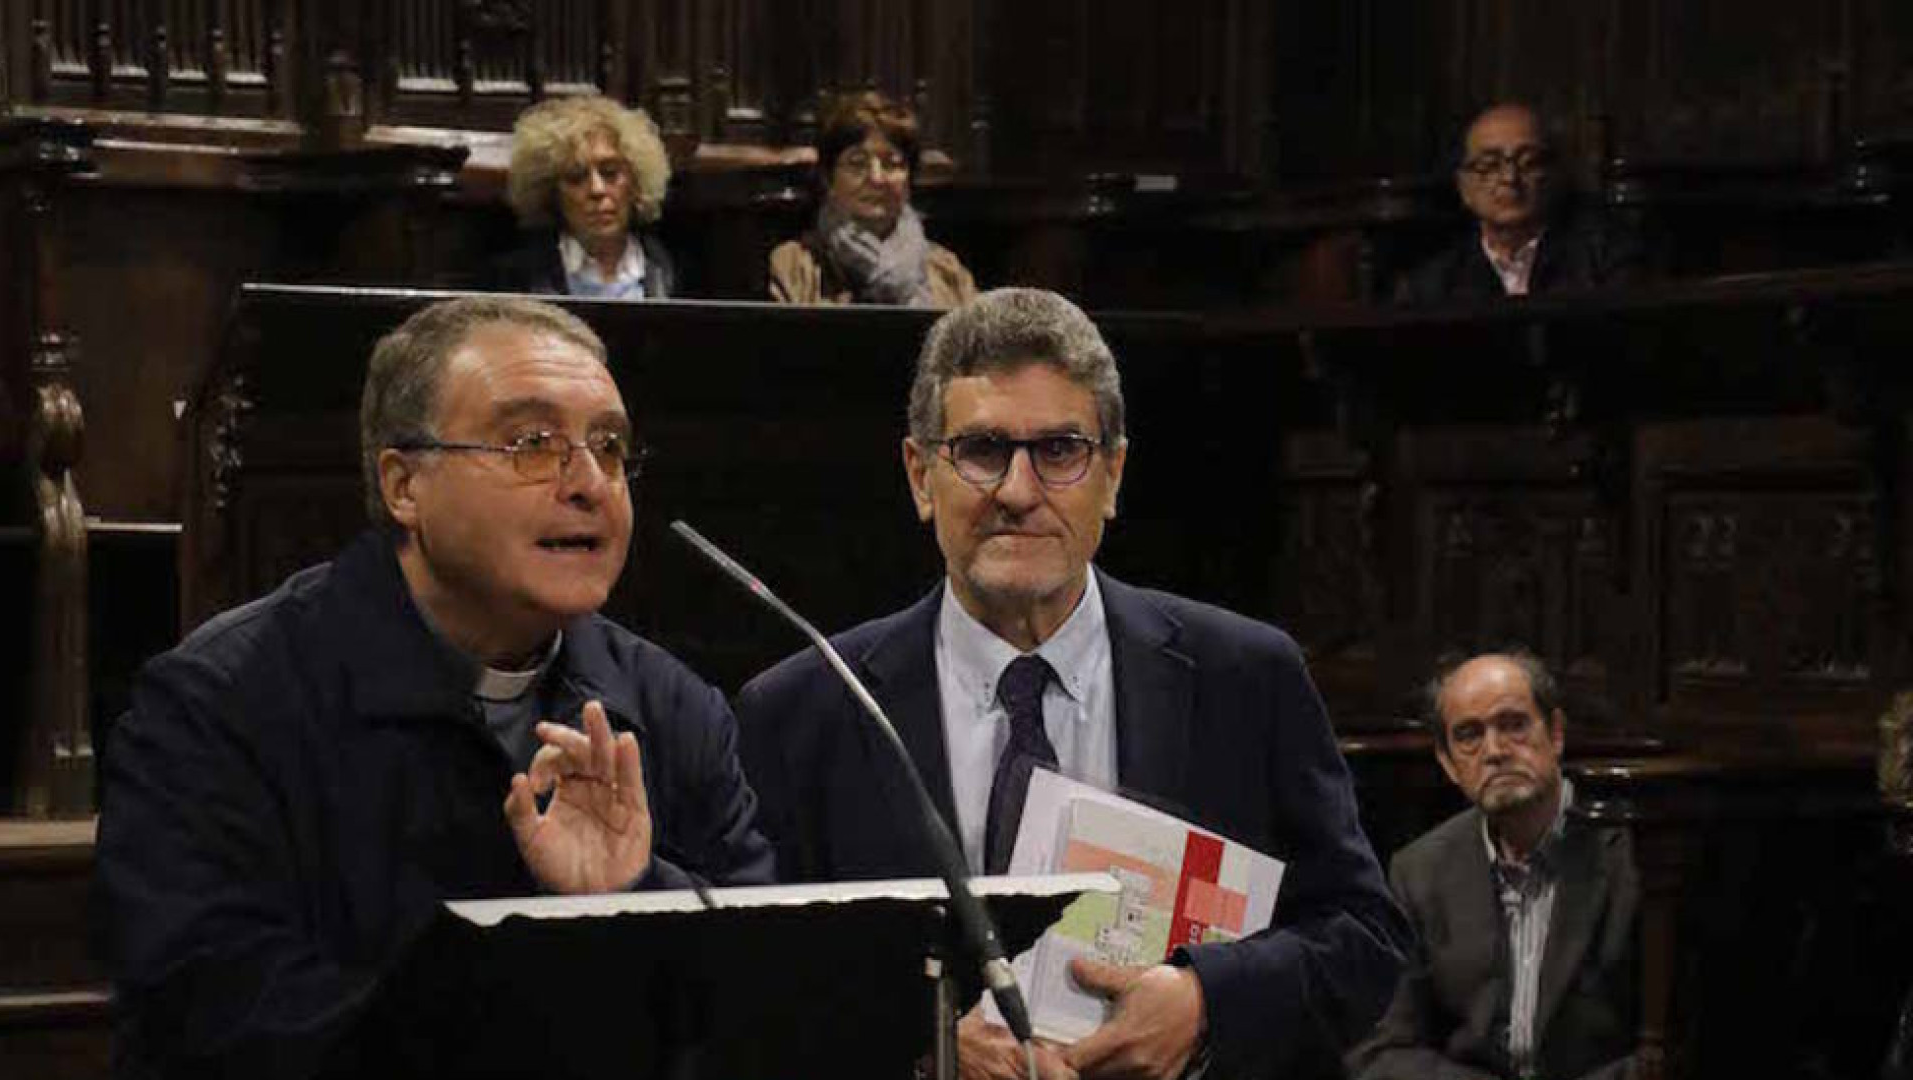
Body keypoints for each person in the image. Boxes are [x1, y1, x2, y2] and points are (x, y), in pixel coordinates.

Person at [736, 288, 1408, 1080]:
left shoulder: (1245, 675)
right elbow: (757, 988)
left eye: (1060, 451)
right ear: (921, 476)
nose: (1019, 492)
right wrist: (926, 1042)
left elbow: (1364, 937)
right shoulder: (808, 709)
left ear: (1113, 474)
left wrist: (1205, 1003)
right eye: (982, 449)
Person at [95, 296, 773, 1077]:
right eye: (531, 443)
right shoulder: (220, 706)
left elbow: (757, 999)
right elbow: (215, 1017)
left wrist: (636, 891)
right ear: (403, 485)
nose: (590, 482)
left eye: (611, 446)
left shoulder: (670, 704)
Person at [1347, 651, 1638, 1080]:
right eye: (1469, 735)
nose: (1496, 751)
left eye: (1514, 725)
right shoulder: (1420, 871)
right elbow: (1381, 1048)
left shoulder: (1635, 857)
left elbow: (1672, 1046)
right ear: (1448, 764)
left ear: (1555, 734)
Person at [1395, 102, 1638, 303]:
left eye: (1528, 162)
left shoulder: (1606, 257)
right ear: (1463, 187)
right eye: (1489, 165)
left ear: (1555, 175)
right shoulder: (1431, 286)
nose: (1510, 178)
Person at [767, 90, 978, 308]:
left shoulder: (947, 270)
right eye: (857, 163)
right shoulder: (794, 263)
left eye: (892, 164)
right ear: (828, 179)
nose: (877, 179)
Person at [492, 94, 680, 299]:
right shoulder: (515, 277)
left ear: (636, 181)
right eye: (576, 178)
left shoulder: (677, 272)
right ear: (550, 192)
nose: (597, 190)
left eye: (610, 173)